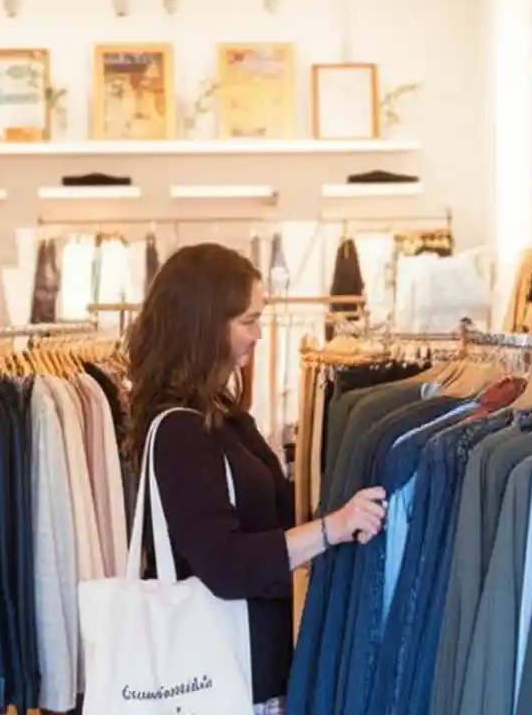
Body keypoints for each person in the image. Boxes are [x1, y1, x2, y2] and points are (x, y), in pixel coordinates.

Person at [126, 243, 386, 714]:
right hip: (217, 674)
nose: (259, 335)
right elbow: (225, 564)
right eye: (248, 321)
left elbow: (274, 515)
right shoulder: (179, 431)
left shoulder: (219, 414)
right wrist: (332, 528)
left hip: (247, 666)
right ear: (204, 324)